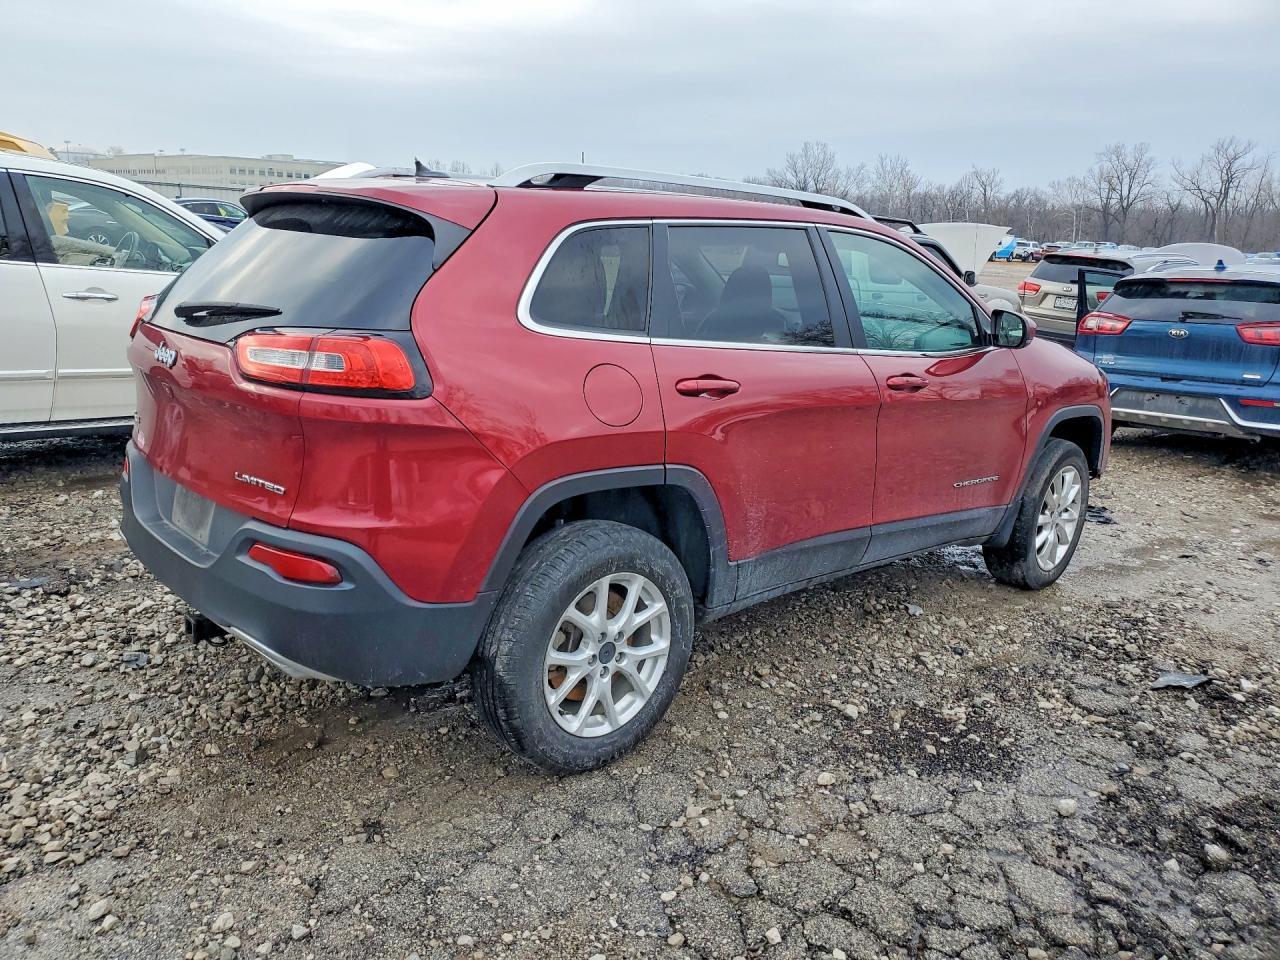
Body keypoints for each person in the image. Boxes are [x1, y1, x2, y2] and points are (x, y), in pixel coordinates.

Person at [43, 199, 118, 267]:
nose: (67, 217)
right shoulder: (53, 242)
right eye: (63, 212)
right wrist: (116, 253)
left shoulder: (50, 241)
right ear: (48, 215)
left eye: (66, 212)